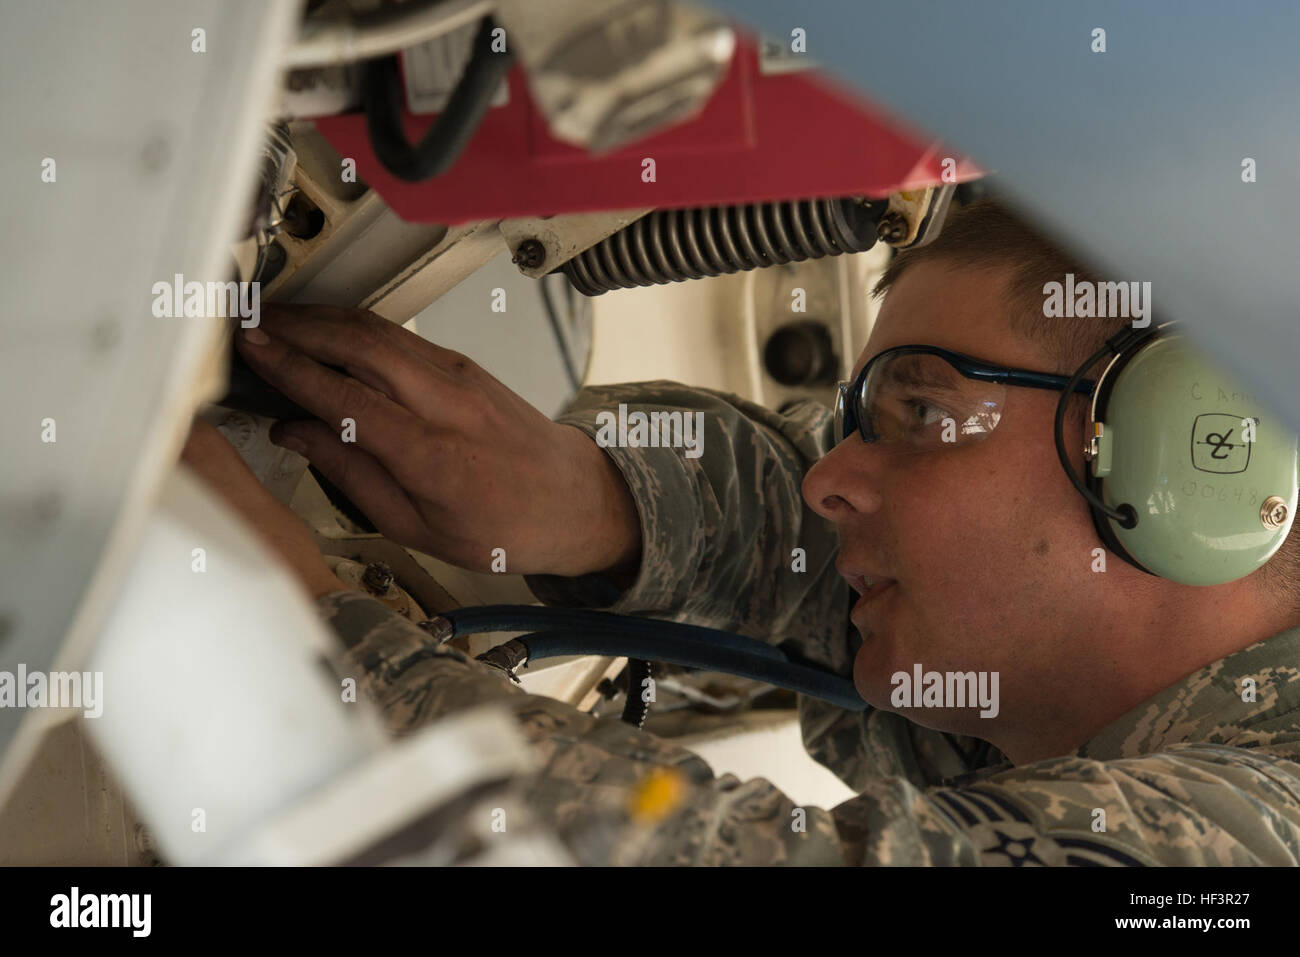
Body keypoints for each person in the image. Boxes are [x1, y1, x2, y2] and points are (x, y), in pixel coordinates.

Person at [184, 201, 1300, 865]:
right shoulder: (1053, 681)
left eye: (917, 411)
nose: (831, 480)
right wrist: (593, 500)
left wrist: (313, 652)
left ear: (1184, 456)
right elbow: (819, 540)